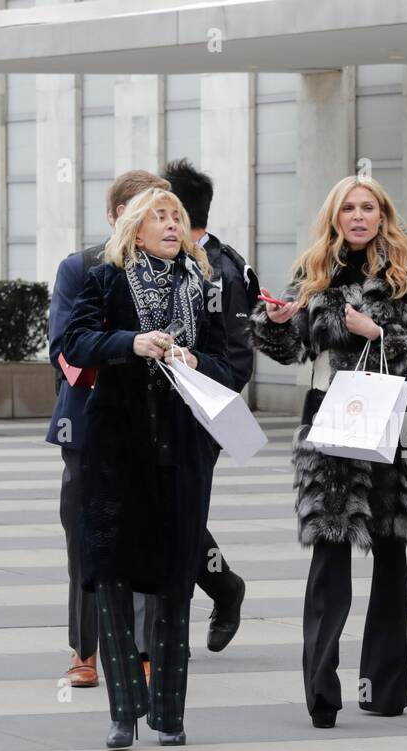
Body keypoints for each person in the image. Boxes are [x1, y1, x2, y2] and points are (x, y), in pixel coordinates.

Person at [250, 174, 407, 729]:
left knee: (389, 559)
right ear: (334, 218)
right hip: (332, 429)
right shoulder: (313, 272)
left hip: (394, 427)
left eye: (368, 208)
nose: (358, 217)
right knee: (328, 559)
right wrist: (277, 322)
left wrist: (375, 329)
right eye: (348, 210)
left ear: (383, 216)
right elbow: (290, 351)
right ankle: (321, 692)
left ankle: (384, 688)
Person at [62, 186, 232, 748]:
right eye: (158, 216)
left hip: (182, 453)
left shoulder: (205, 285)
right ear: (134, 229)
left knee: (175, 582)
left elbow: (232, 365)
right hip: (116, 454)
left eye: (177, 216)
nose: (170, 223)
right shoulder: (105, 278)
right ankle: (123, 713)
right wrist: (130, 344)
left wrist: (192, 358)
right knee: (112, 578)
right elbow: (74, 341)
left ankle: (170, 714)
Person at [48, 170, 170, 688]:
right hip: (90, 423)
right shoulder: (81, 267)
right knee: (85, 537)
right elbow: (63, 347)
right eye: (143, 210)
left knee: (147, 534)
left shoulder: (175, 270)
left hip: (153, 425)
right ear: (117, 215)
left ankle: (143, 649)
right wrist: (123, 353)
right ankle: (85, 649)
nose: (158, 221)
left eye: (163, 212)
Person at [162, 158, 259, 651]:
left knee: (179, 518)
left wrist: (194, 376)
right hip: (152, 415)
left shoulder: (223, 268)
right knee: (167, 516)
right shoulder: (154, 261)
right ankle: (223, 586)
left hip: (201, 417)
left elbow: (239, 359)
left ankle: (180, 627)